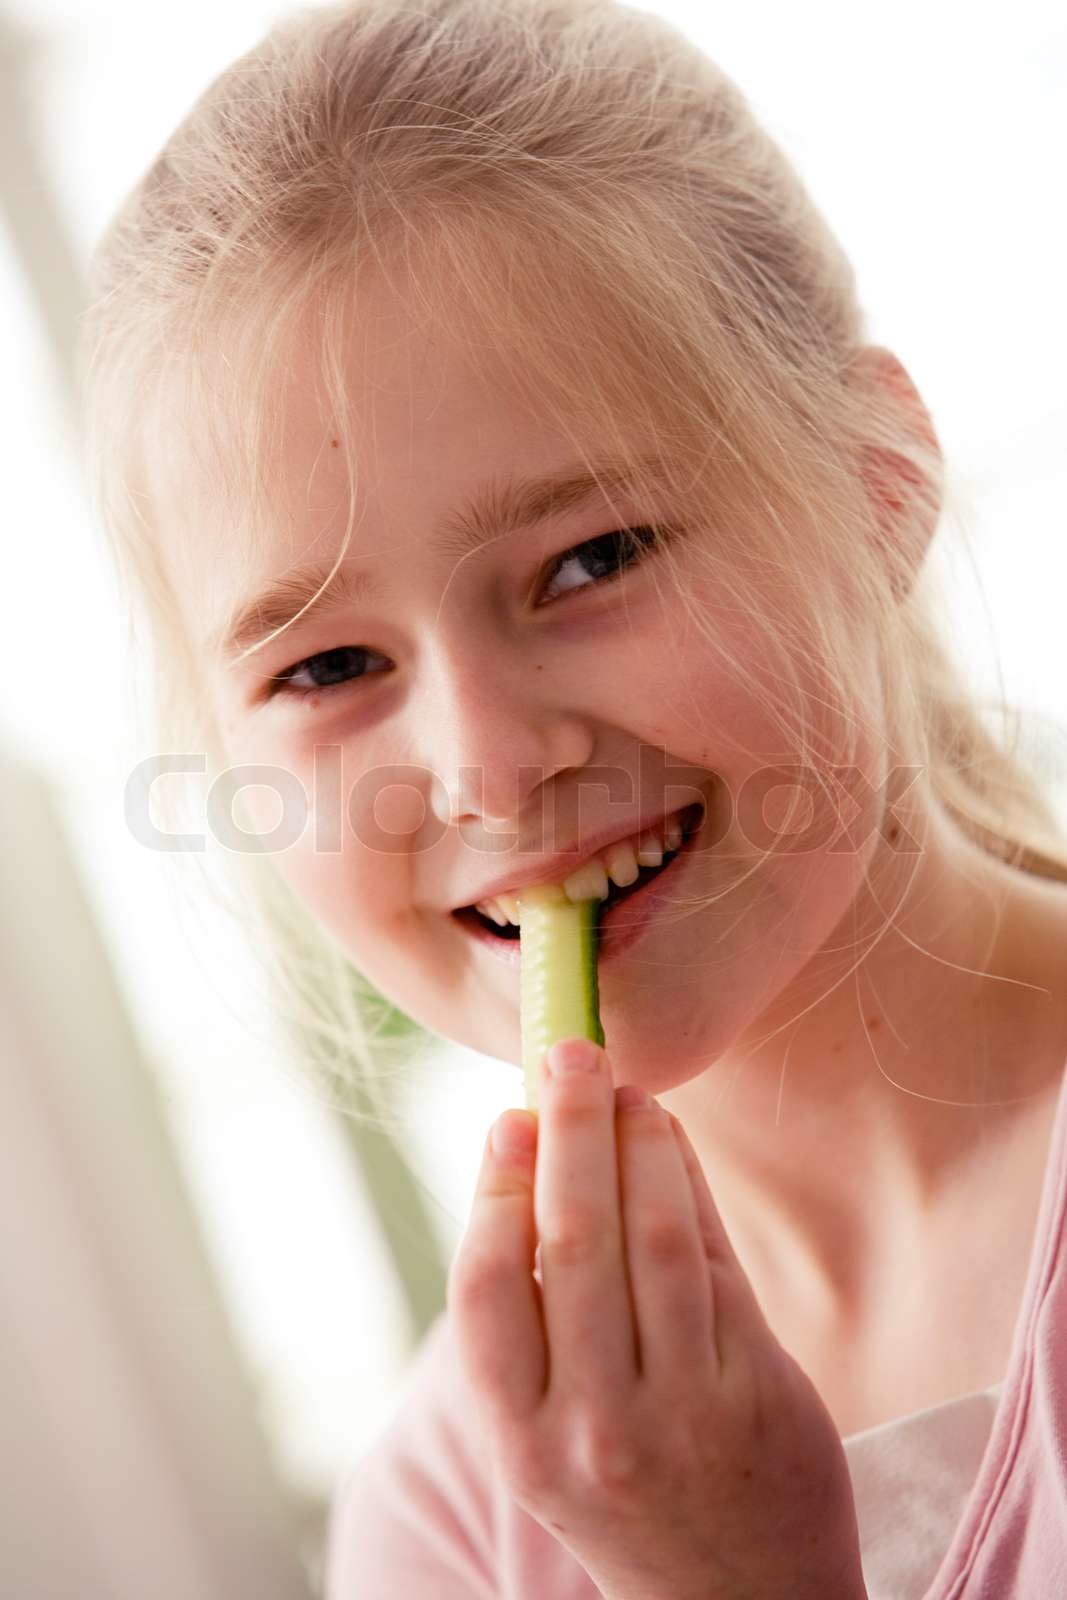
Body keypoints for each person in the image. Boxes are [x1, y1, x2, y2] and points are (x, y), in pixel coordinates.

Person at [79, 0, 1067, 1595]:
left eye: (591, 559)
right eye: (328, 669)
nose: (485, 765)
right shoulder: (440, 1520)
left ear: (876, 477)